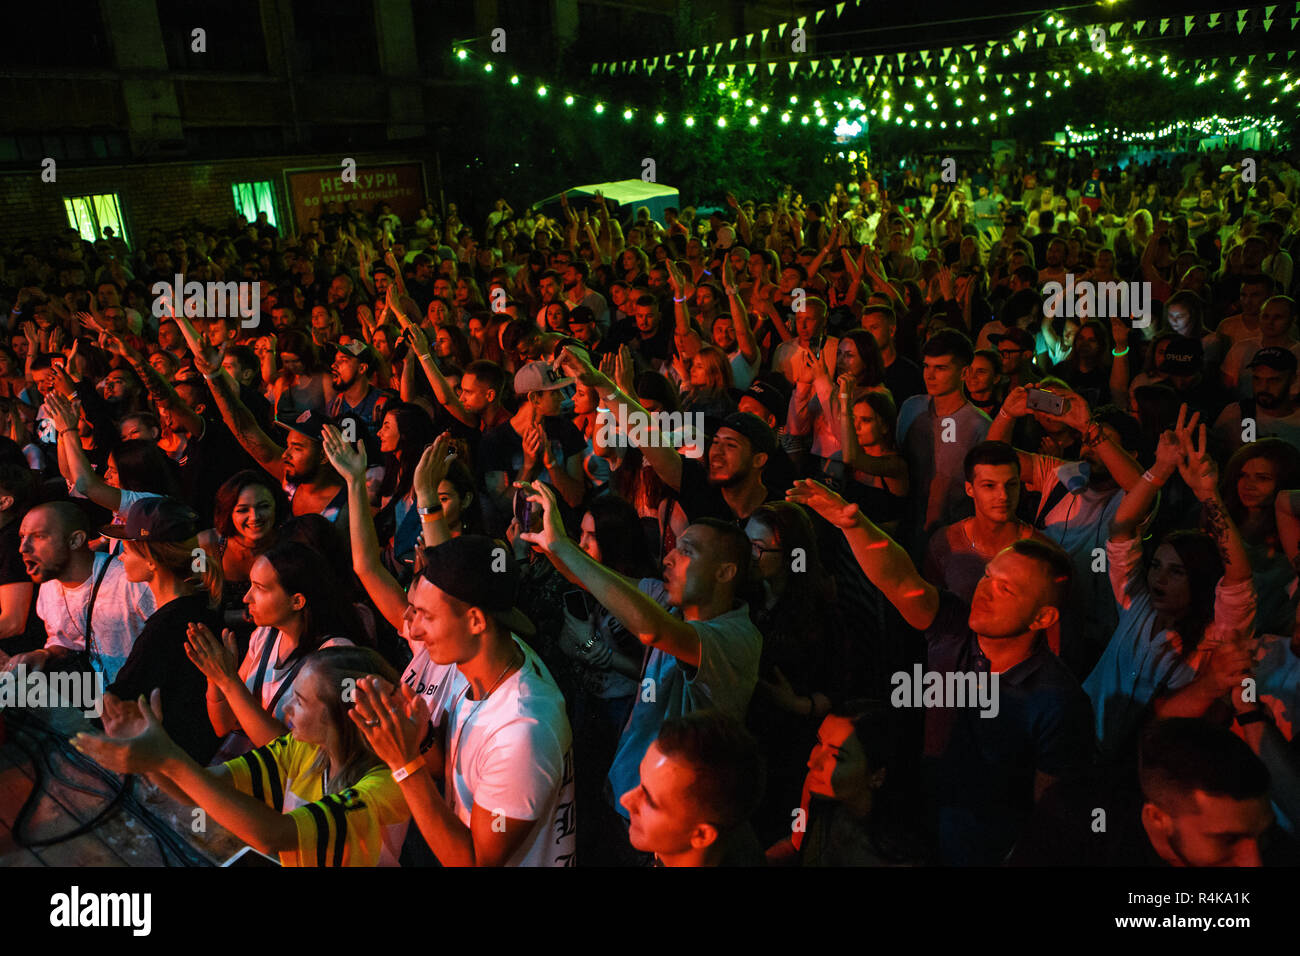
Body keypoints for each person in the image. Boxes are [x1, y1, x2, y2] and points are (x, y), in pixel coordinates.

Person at [788, 478, 1093, 865]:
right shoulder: (954, 626)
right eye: (988, 576)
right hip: (920, 834)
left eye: (1007, 589)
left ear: (1042, 618)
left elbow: (1050, 818)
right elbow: (900, 580)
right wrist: (854, 525)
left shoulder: (1059, 701)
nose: (985, 591)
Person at [517, 481, 762, 844]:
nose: (669, 558)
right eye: (673, 548)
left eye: (687, 551)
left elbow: (652, 630)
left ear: (725, 572)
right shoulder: (670, 601)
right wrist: (552, 541)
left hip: (673, 816)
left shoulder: (736, 637)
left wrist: (564, 546)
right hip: (629, 791)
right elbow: (586, 577)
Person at [348, 535, 577, 867]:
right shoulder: (480, 664)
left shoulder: (522, 730)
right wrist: (419, 737)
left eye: (426, 615)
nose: (414, 630)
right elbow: (452, 765)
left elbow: (475, 862)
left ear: (476, 621)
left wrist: (405, 764)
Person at [73, 646, 411, 867]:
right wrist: (152, 759)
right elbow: (197, 791)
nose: (287, 708)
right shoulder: (304, 749)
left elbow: (273, 834)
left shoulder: (384, 788)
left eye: (300, 701)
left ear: (342, 716)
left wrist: (168, 758)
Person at [1084, 408, 1256, 761]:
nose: (1159, 578)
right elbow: (1121, 529)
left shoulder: (1214, 637)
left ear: (1200, 580)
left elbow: (1238, 579)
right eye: (1156, 566)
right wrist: (1160, 469)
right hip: (1083, 745)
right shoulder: (1135, 603)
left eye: (1176, 572)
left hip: (1147, 767)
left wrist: (1208, 494)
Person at [187, 540, 362, 759]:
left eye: (259, 588)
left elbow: (290, 754)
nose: (246, 597)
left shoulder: (334, 653)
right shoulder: (264, 635)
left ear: (297, 601)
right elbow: (223, 725)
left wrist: (229, 681)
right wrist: (216, 678)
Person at [101, 496, 225, 763]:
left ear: (151, 561)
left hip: (177, 761)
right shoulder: (201, 606)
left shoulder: (164, 629)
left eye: (127, 550)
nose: (120, 556)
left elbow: (119, 702)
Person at [767, 702, 930, 866]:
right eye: (819, 743)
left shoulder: (891, 854)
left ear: (877, 776)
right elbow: (797, 842)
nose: (813, 762)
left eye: (836, 757)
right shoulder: (824, 807)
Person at [8, 501, 155, 683]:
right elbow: (67, 643)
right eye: (22, 537)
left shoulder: (131, 582)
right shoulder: (49, 586)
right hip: (93, 697)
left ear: (75, 540)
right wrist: (44, 654)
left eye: (39, 536)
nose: (23, 548)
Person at [618, 710, 766, 866]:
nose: (625, 800)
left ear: (701, 835)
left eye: (650, 801)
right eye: (641, 782)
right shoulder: (725, 817)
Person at [896, 329, 992, 557]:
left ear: (964, 373)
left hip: (953, 542)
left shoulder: (979, 425)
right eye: (926, 366)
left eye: (940, 368)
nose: (929, 375)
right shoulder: (911, 408)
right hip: (906, 530)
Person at [923, 441, 1051, 607]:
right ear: (970, 489)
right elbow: (930, 608)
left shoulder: (1041, 553)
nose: (1003, 496)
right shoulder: (945, 542)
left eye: (1011, 485)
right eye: (989, 486)